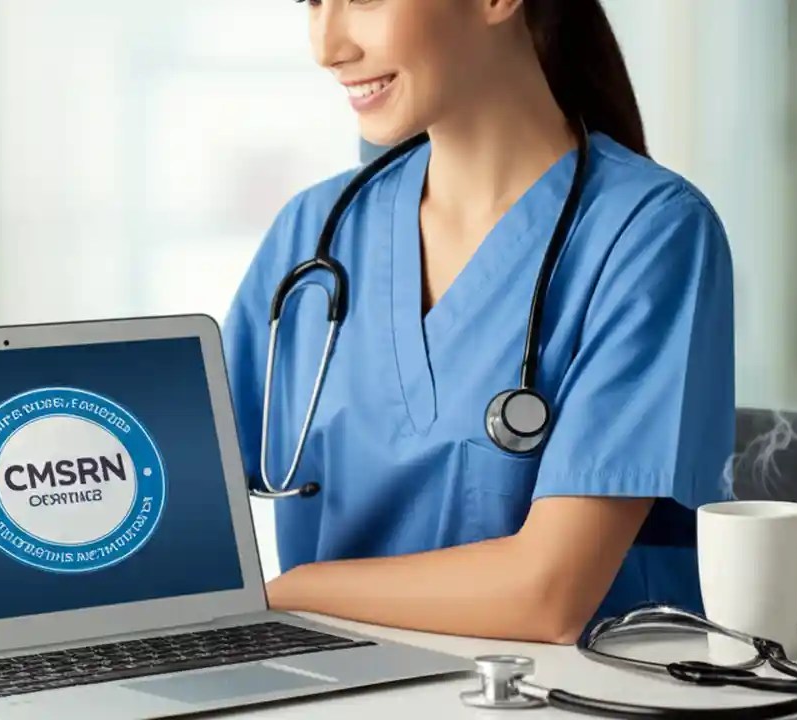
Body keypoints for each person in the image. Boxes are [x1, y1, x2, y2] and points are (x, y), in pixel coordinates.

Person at [221, 0, 736, 644]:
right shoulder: (314, 232)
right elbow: (181, 503)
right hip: (331, 683)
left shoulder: (650, 234)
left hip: (566, 689)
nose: (328, 48)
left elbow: (548, 597)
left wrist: (290, 593)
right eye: (313, 3)